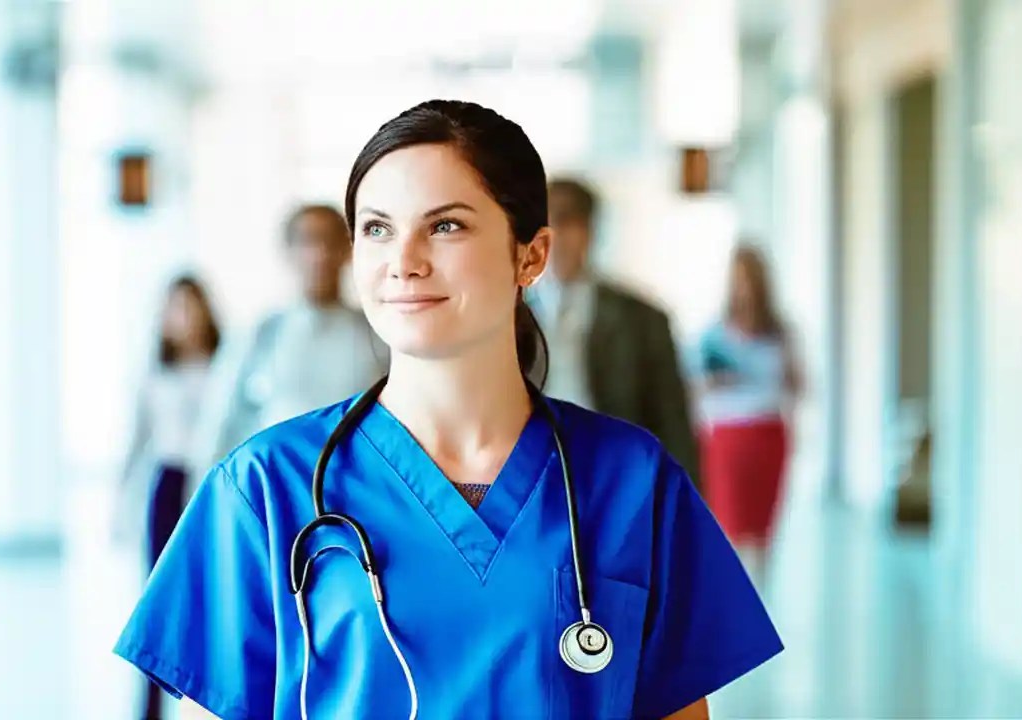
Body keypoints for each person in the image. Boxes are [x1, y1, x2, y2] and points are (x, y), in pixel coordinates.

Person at [114, 100, 781, 720]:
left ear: (532, 254)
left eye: (446, 226)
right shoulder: (264, 488)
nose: (403, 261)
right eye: (377, 229)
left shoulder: (631, 482)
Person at [529, 178, 702, 486]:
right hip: (534, 479)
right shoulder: (508, 314)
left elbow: (674, 425)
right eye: (544, 224)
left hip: (613, 477)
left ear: (589, 232)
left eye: (565, 221)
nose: (554, 237)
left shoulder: (641, 320)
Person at [192, 204, 387, 472]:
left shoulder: (375, 331)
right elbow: (222, 421)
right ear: (287, 250)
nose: (320, 254)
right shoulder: (262, 332)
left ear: (348, 250)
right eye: (309, 241)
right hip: (275, 483)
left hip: (355, 485)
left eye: (331, 241)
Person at [115, 274, 222, 720]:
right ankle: (151, 709)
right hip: (168, 485)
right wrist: (120, 505)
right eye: (175, 308)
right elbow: (136, 441)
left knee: (210, 596)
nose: (184, 318)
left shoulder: (225, 365)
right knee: (161, 601)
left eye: (191, 306)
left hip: (210, 487)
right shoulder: (154, 373)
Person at [695, 244, 802, 579]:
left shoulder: (781, 334)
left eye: (750, 279)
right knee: (730, 525)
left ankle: (757, 598)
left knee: (761, 531)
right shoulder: (713, 335)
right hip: (727, 437)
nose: (744, 288)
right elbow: (693, 385)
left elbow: (798, 384)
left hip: (769, 435)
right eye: (738, 279)